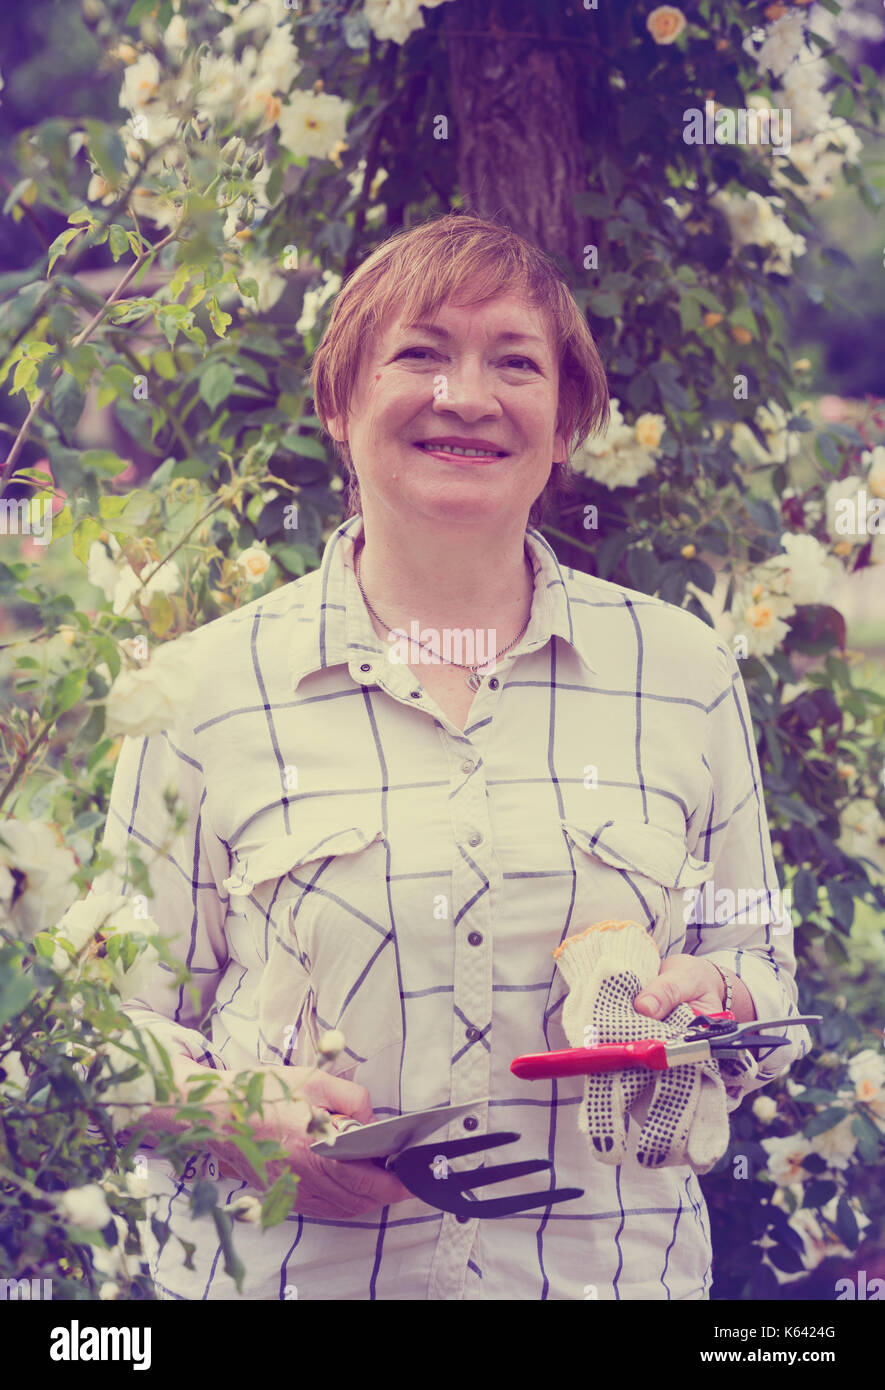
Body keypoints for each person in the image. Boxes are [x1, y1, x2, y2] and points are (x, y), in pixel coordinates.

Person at [95, 212, 810, 1300]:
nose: (467, 396)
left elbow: (765, 980)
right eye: (420, 354)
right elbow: (115, 1028)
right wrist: (231, 1118)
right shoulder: (201, 693)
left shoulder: (684, 671)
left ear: (565, 423)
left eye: (514, 365)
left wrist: (715, 996)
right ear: (340, 404)